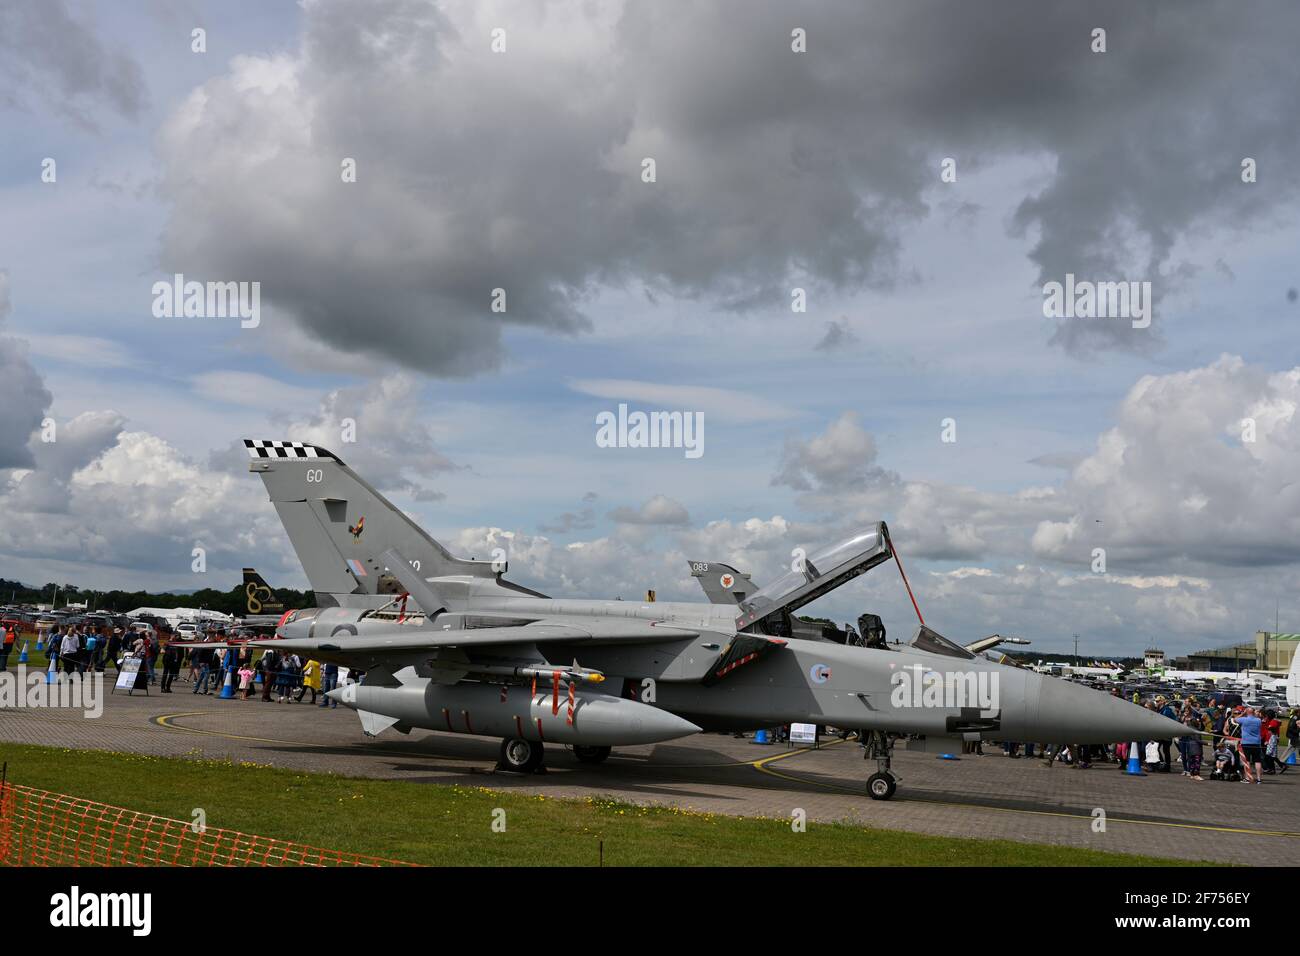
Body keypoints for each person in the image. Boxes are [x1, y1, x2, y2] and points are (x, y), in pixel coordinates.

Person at [1231, 706, 1264, 784]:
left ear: (1247, 712)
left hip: (1246, 742)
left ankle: (1247, 777)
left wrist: (1243, 713)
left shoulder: (1244, 719)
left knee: (1247, 761)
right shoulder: (1258, 720)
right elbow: (1257, 717)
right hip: (1256, 742)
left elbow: (1234, 719)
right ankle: (1259, 779)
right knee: (1257, 761)